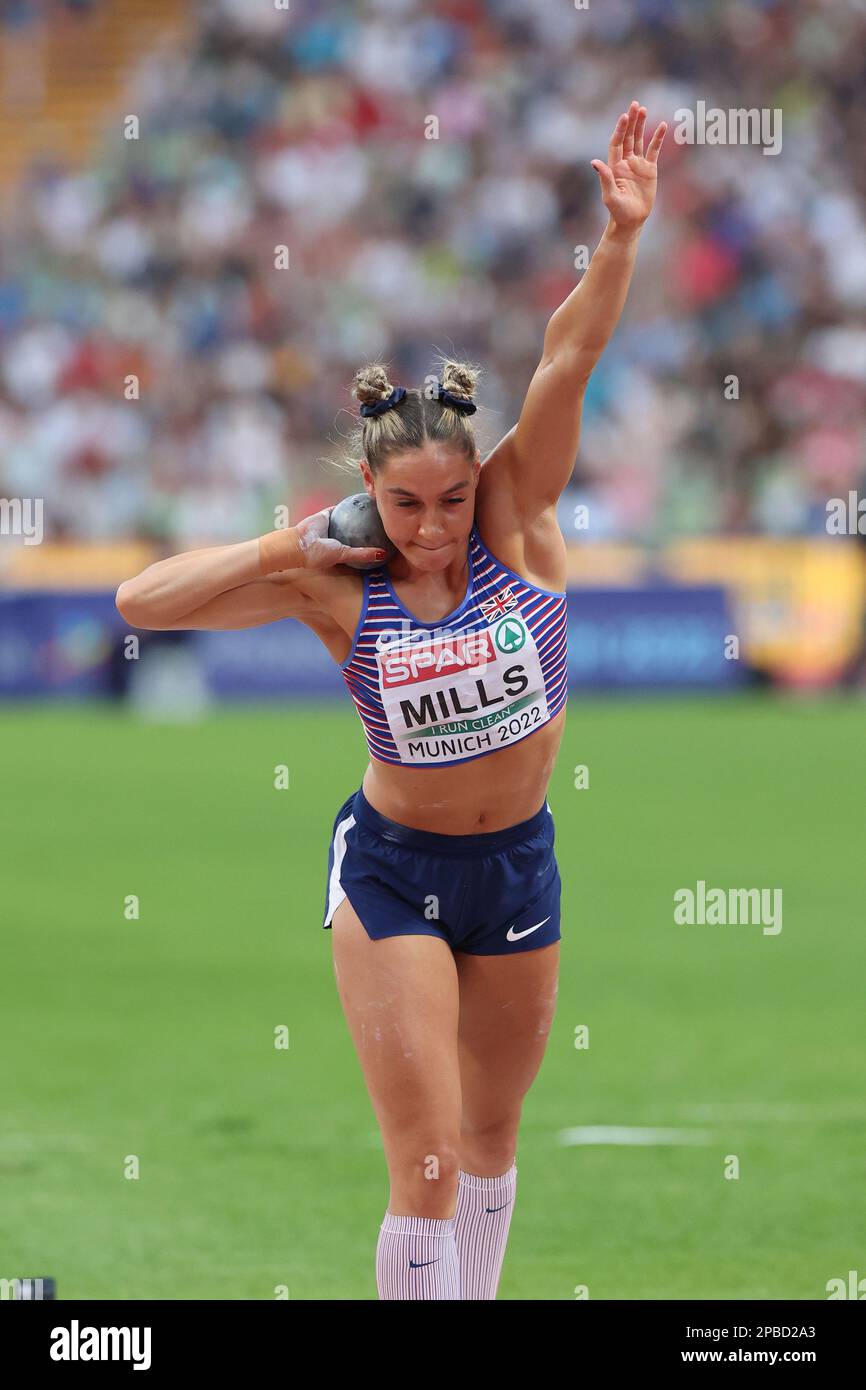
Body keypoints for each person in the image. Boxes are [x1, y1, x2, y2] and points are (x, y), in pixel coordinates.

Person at [115, 101, 666, 1300]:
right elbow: (141, 602)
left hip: (517, 862)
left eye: (451, 500)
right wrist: (291, 545)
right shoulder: (333, 580)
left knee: (487, 1142)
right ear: (368, 492)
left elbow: (566, 357)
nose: (432, 527)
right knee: (420, 1158)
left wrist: (618, 239)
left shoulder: (518, 524)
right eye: (405, 505)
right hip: (393, 870)